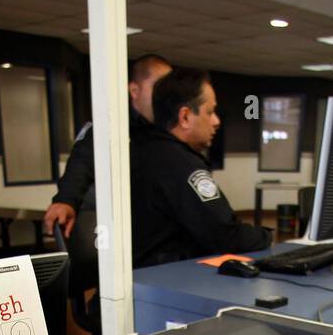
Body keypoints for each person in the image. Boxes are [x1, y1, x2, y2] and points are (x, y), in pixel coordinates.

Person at [130, 68, 270, 268]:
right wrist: (265, 236)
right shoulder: (182, 165)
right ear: (185, 116)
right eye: (210, 112)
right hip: (165, 283)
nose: (216, 121)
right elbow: (224, 235)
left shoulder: (143, 150)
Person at [42, 53, 172, 240]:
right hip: (108, 228)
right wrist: (66, 200)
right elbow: (81, 164)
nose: (165, 97)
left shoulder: (166, 131)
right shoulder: (108, 128)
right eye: (159, 88)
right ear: (135, 90)